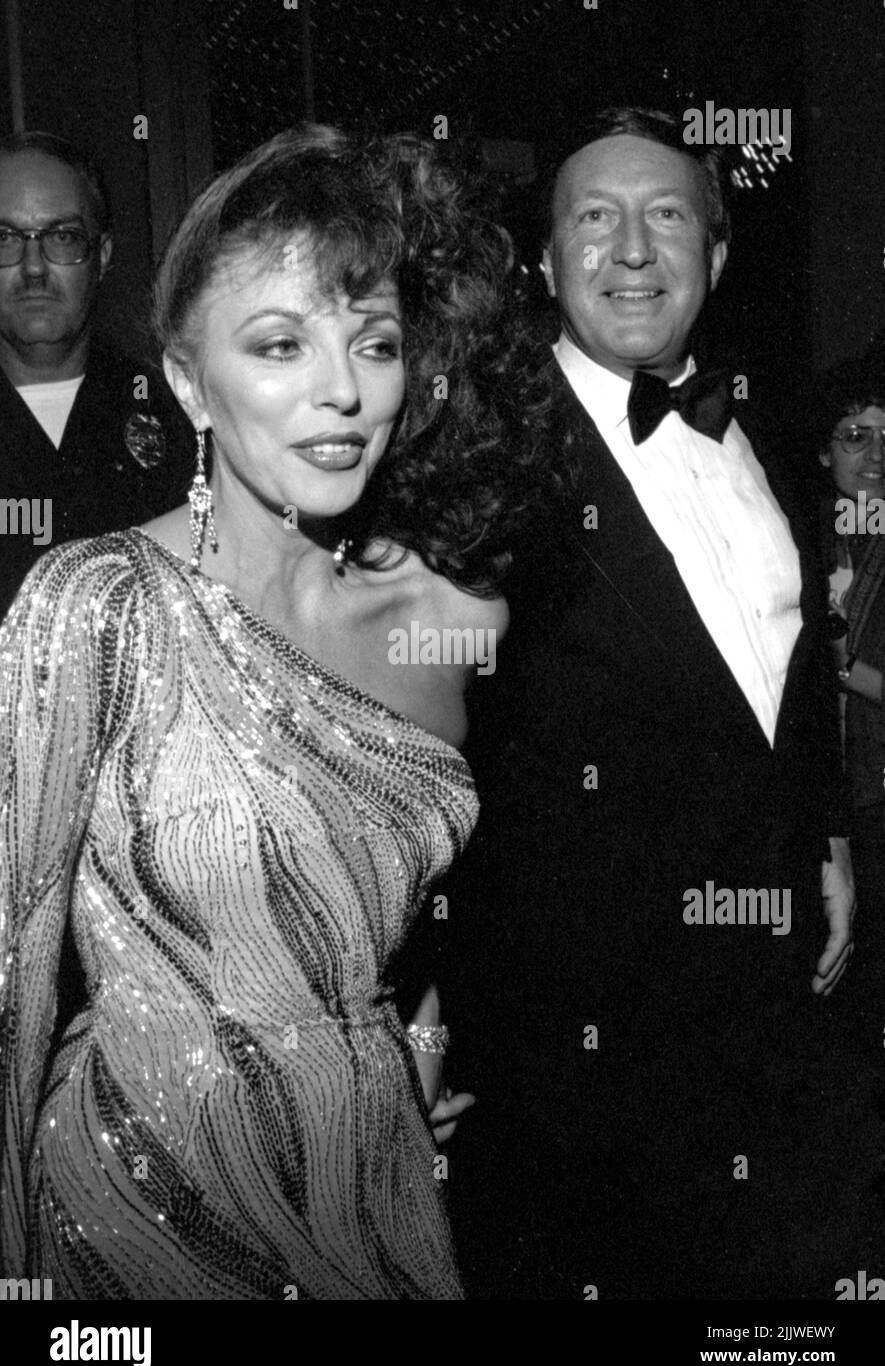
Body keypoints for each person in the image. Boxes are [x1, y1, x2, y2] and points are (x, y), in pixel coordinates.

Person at [0, 124, 546, 1299]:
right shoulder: (98, 604)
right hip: (137, 1215)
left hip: (376, 1198)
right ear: (191, 383)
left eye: (376, 342)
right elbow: (8, 981)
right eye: (280, 344)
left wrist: (409, 1050)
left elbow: (415, 912)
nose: (342, 390)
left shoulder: (450, 614)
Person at [443, 107, 880, 1300]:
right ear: (546, 261)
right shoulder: (476, 449)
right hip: (584, 1027)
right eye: (596, 218)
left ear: (717, 257)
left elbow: (798, 647)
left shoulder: (772, 427)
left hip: (781, 996)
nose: (633, 250)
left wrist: (827, 827)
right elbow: (422, 739)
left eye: (668, 216)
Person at [0, 131, 192, 618]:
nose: (33, 267)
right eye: (5, 239)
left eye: (62, 237)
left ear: (103, 255)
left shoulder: (177, 416)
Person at [816, 359, 885, 1049]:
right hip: (816, 799)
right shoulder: (794, 541)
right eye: (854, 435)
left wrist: (838, 667)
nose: (874, 456)